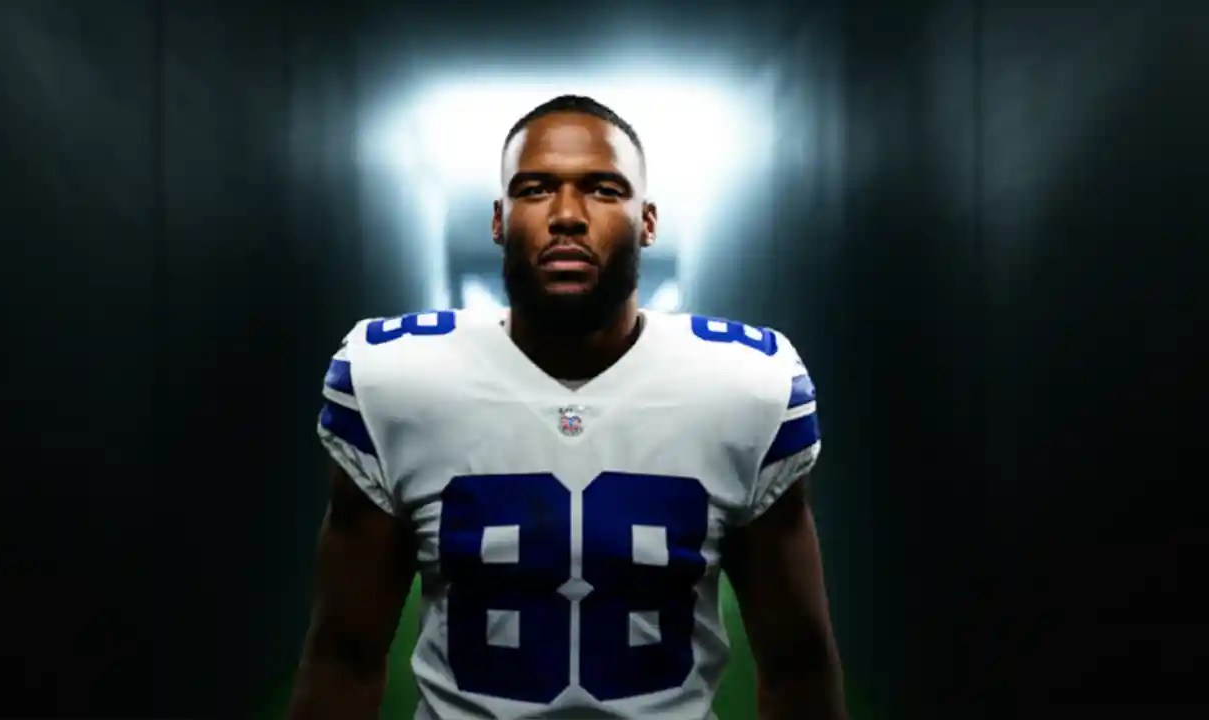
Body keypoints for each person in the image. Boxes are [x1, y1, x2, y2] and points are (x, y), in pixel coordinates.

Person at [288, 95, 848, 720]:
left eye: (604, 189)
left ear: (648, 221)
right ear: (499, 220)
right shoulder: (397, 381)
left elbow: (798, 663)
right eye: (535, 189)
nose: (566, 216)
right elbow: (344, 654)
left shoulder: (744, 386)